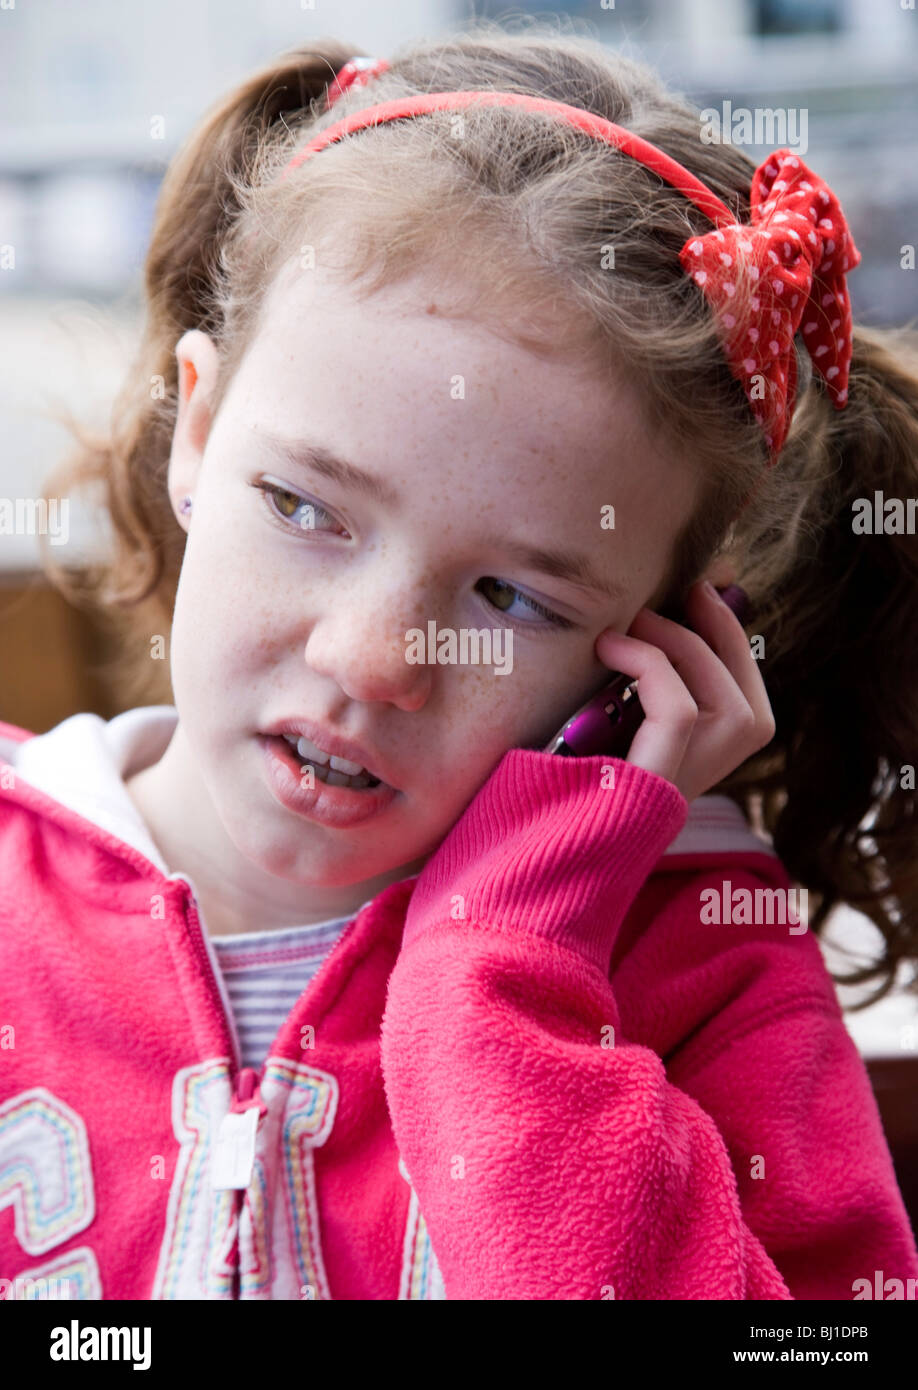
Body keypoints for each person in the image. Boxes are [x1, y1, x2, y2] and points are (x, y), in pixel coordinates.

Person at [2, 21, 917, 1301]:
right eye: (306, 507)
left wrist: (503, 983)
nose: (375, 661)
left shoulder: (705, 963)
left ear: (670, 645)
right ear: (196, 427)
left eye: (513, 595)